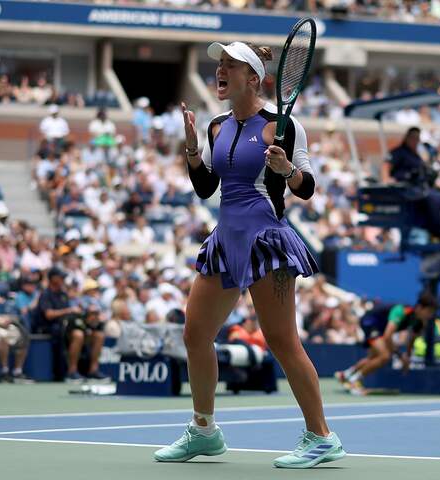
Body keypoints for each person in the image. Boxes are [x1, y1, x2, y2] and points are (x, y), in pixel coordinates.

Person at [153, 40, 345, 469]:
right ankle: (203, 431)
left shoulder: (284, 127)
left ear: (252, 78)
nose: (220, 71)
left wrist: (287, 171)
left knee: (282, 340)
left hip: (267, 242)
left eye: (229, 66)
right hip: (226, 240)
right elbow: (206, 188)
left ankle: (322, 436)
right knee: (195, 334)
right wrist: (191, 150)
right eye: (218, 64)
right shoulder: (216, 126)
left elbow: (307, 189)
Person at [336, 291, 437, 395]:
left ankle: (345, 375)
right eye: (429, 312)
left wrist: (407, 357)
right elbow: (388, 336)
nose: (430, 316)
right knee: (384, 356)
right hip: (370, 321)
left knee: (373, 358)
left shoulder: (420, 322)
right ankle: (354, 381)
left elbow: (411, 340)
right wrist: (399, 355)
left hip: (380, 329)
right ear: (420, 308)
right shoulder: (401, 311)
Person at [36, 267, 108, 382]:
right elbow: (49, 315)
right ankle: (72, 371)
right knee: (78, 334)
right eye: (61, 277)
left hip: (69, 325)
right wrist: (69, 310)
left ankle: (93, 370)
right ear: (53, 278)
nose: (63, 279)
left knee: (99, 335)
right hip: (53, 328)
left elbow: (75, 311)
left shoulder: (64, 294)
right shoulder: (46, 294)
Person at [380, 127, 440, 240]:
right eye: (413, 138)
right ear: (407, 138)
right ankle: (438, 233)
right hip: (404, 189)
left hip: (418, 188)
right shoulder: (399, 152)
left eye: (417, 138)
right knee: (434, 199)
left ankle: (435, 232)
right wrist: (386, 179)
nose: (415, 141)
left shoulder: (417, 155)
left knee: (439, 197)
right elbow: (386, 165)